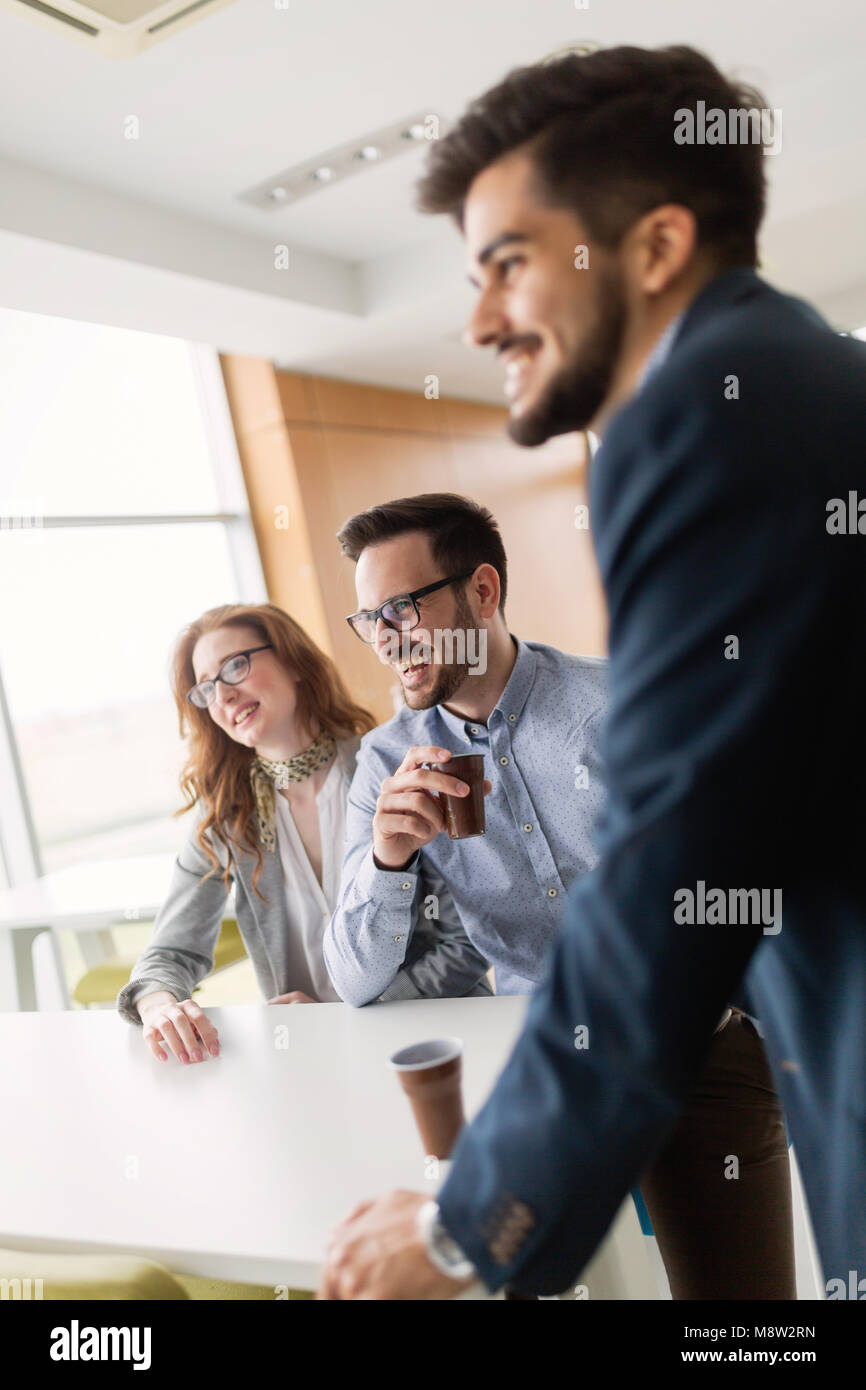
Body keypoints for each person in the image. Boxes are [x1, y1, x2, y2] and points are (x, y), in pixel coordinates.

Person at [317, 44, 866, 1299]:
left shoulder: (705, 415)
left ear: (656, 247)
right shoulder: (803, 385)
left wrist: (467, 1227)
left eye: (508, 261)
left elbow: (679, 880)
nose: (477, 319)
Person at [324, 490, 795, 1300]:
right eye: (371, 621)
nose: (388, 641)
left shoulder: (626, 707)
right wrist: (388, 860)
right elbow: (353, 980)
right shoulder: (383, 763)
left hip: (696, 1050)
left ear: (482, 592)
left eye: (403, 608)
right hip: (532, 1065)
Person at [116, 603, 491, 1062]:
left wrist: (338, 1012)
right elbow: (168, 954)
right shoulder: (225, 814)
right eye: (207, 689)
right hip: (314, 1060)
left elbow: (467, 943)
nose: (224, 697)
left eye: (236, 666)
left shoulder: (391, 770)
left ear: (293, 661)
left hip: (440, 1042)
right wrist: (158, 1007)